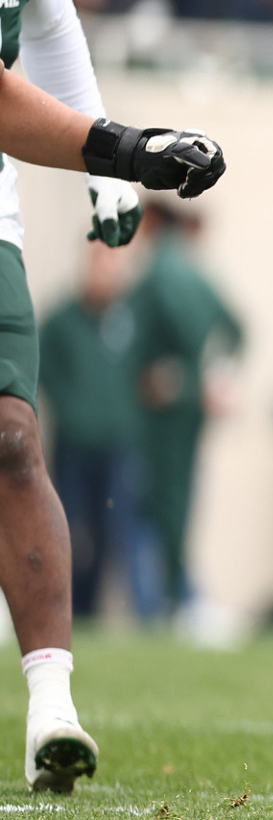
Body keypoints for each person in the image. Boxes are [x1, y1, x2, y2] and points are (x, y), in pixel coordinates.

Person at [0, 0, 227, 796]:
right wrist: (120, 150)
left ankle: (52, 702)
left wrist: (103, 163)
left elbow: (50, 18)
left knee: (11, 438)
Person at [126, 201, 242, 620]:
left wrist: (180, 374)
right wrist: (215, 377)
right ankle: (175, 597)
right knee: (176, 500)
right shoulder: (194, 272)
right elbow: (235, 327)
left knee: (163, 502)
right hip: (186, 404)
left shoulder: (162, 268)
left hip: (165, 409)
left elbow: (145, 341)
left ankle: (171, 600)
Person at [39, 243, 160, 623]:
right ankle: (75, 613)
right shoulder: (61, 320)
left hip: (119, 446)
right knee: (74, 531)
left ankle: (141, 615)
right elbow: (46, 375)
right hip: (74, 447)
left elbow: (149, 372)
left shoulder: (132, 320)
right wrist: (74, 413)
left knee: (119, 530)